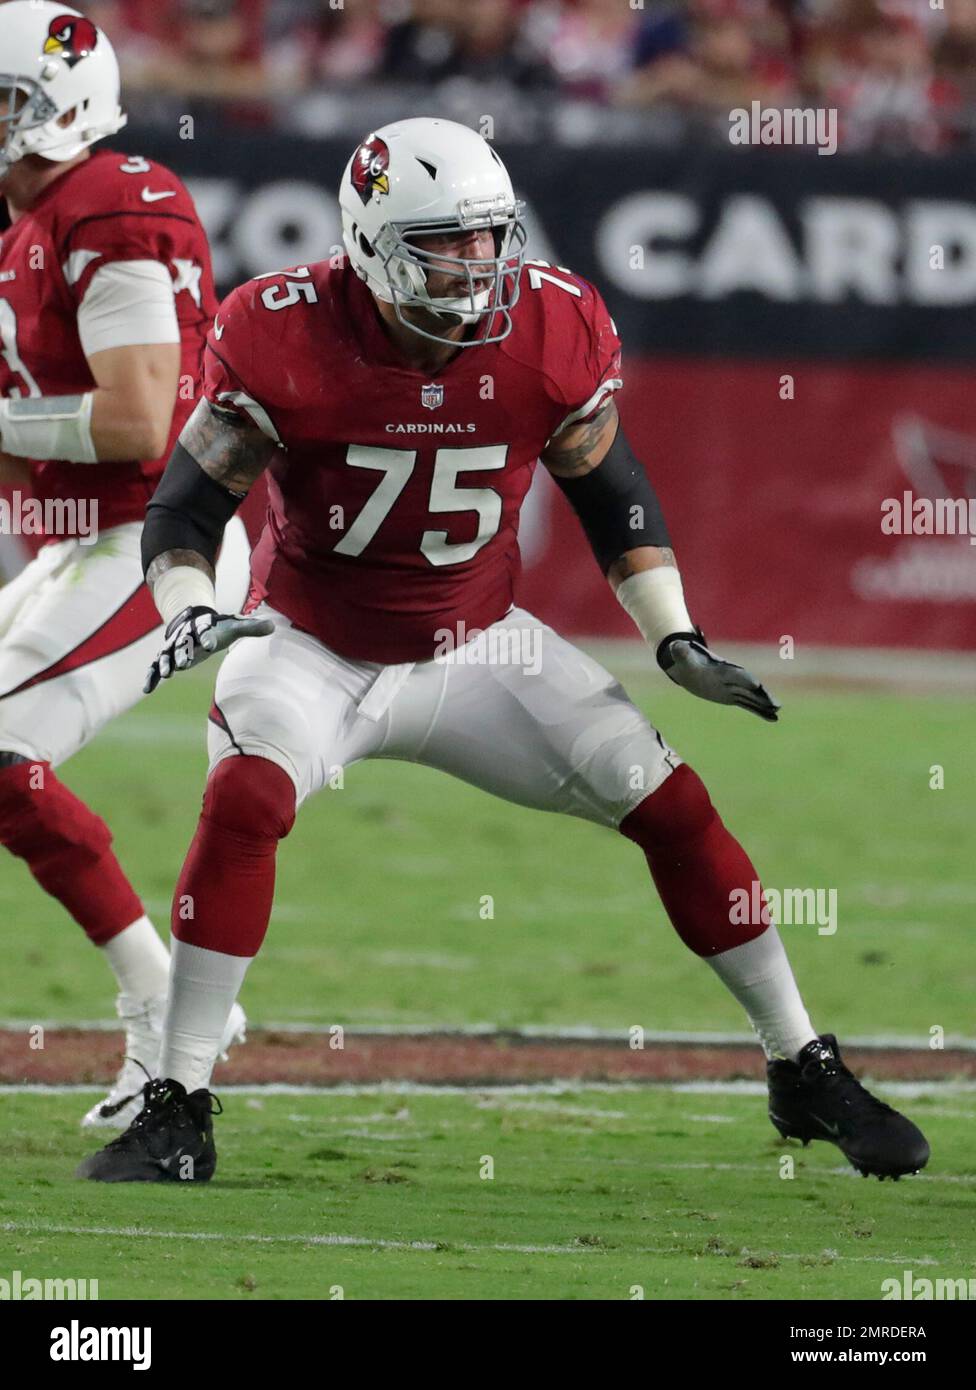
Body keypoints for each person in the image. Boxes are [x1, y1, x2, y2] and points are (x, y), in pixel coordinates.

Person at [78, 116, 928, 1184]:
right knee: (246, 799)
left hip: (481, 646)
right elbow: (188, 507)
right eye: (448, 242)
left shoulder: (550, 324)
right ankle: (177, 1101)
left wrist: (672, 637)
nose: (479, 264)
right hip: (314, 642)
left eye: (489, 237)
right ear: (374, 243)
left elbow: (610, 493)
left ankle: (801, 1063)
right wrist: (190, 607)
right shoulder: (281, 328)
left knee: (672, 805)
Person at [0, 1, 245, 1130]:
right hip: (75, 544)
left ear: (60, 104)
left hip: (154, 539)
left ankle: (162, 1011)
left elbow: (138, 419)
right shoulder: (30, 216)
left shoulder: (111, 202)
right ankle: (158, 998)